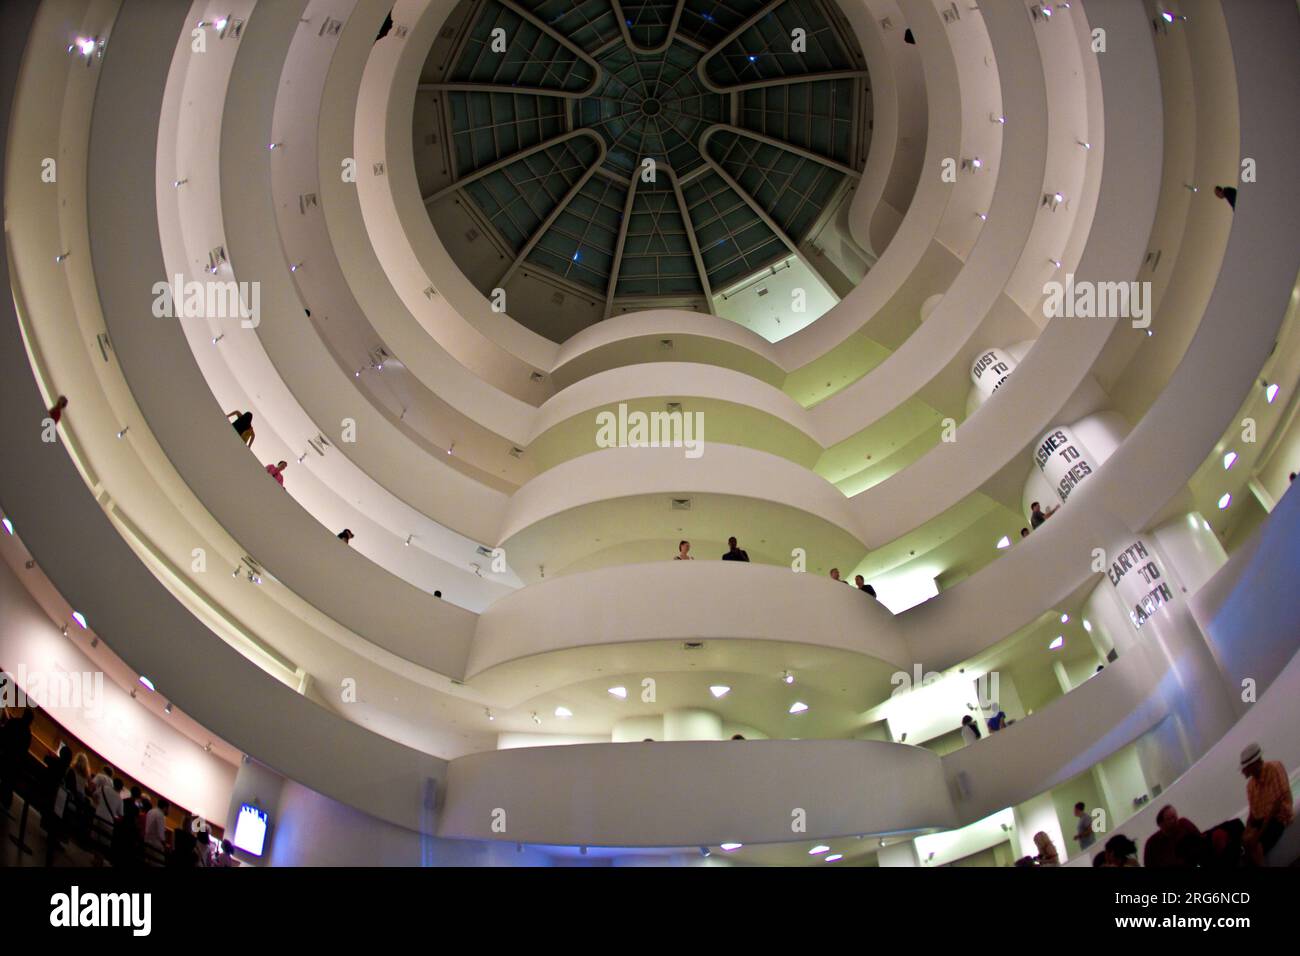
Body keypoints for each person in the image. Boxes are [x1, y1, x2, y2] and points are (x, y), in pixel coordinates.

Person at [1240, 742, 1293, 865]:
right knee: (1244, 846)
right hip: (1263, 821)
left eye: (1246, 767)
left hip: (1278, 818)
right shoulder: (1251, 786)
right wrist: (1246, 834)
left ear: (1255, 764)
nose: (1243, 771)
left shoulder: (1274, 768)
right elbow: (1253, 814)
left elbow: (1276, 807)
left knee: (1256, 847)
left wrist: (1257, 836)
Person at [0, 707, 34, 811]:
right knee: (8, 783)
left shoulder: (13, 722)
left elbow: (4, 735)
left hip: (5, 756)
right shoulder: (28, 734)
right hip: (15, 763)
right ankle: (5, 803)